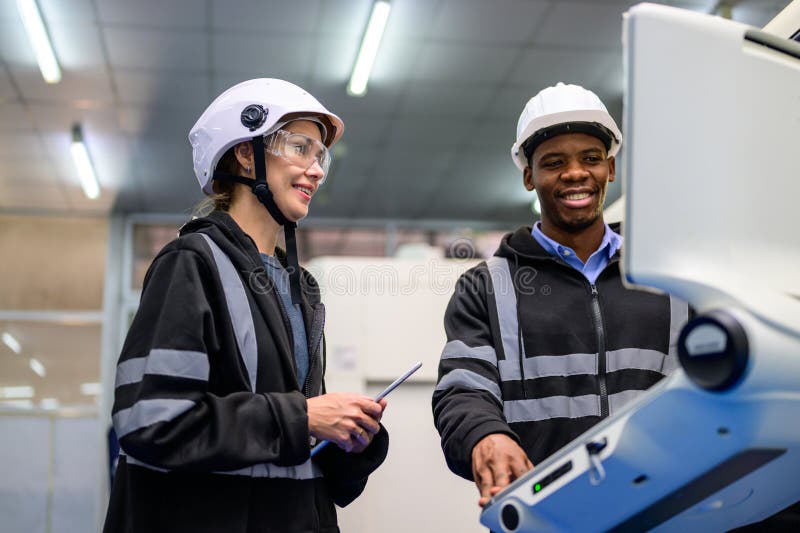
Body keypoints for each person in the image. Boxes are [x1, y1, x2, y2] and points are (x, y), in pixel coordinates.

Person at [103, 79, 389, 533]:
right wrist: (304, 417)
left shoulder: (301, 289)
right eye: (299, 148)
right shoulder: (191, 264)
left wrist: (347, 439)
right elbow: (149, 421)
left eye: (320, 157)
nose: (315, 170)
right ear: (244, 151)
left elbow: (293, 448)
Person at [431, 82, 689, 507]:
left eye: (590, 158)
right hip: (547, 514)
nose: (575, 173)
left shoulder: (666, 275)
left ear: (610, 169)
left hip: (662, 510)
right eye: (554, 162)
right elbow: (463, 390)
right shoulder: (486, 286)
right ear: (529, 176)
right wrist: (486, 436)